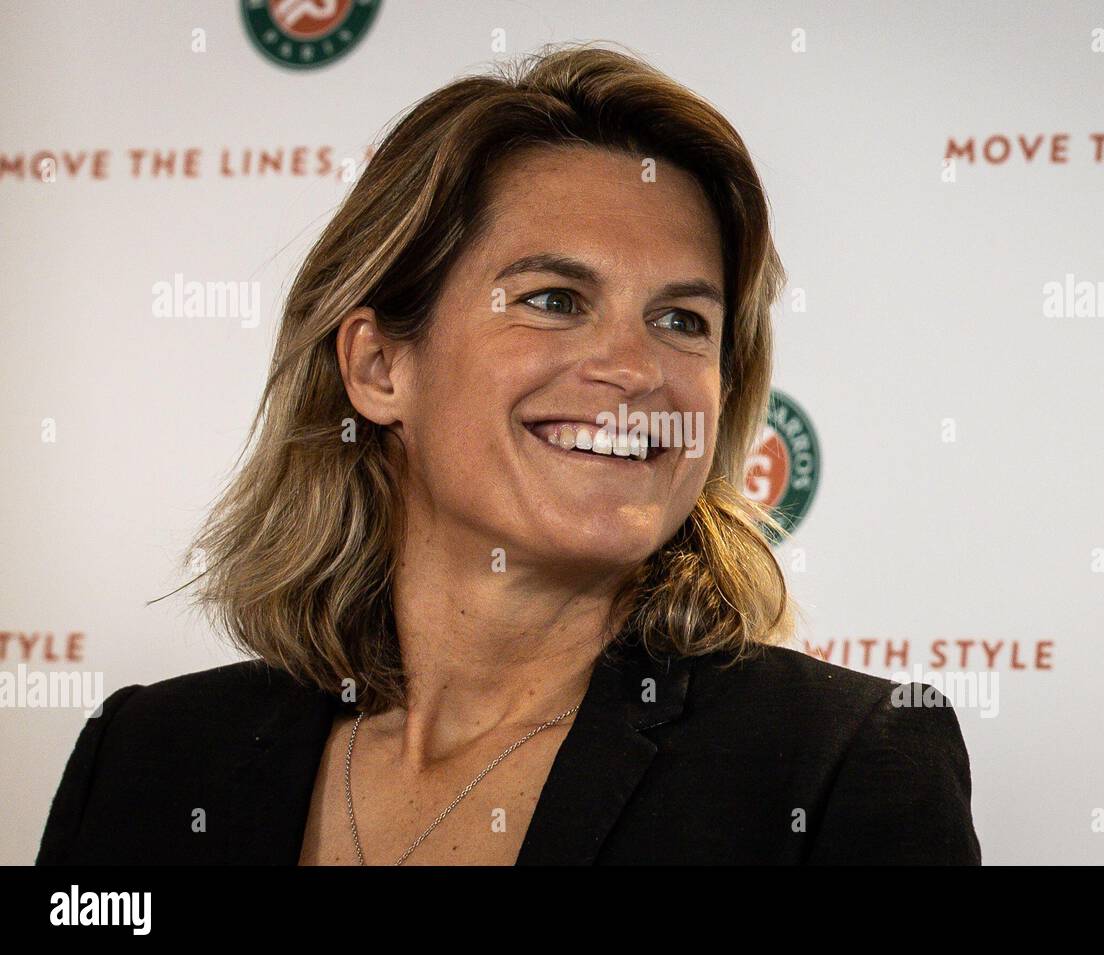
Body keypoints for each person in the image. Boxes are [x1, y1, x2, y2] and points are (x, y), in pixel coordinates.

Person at [36, 43, 981, 865]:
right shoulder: (147, 758)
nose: (634, 368)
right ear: (378, 366)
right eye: (553, 299)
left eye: (681, 320)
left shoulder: (841, 764)